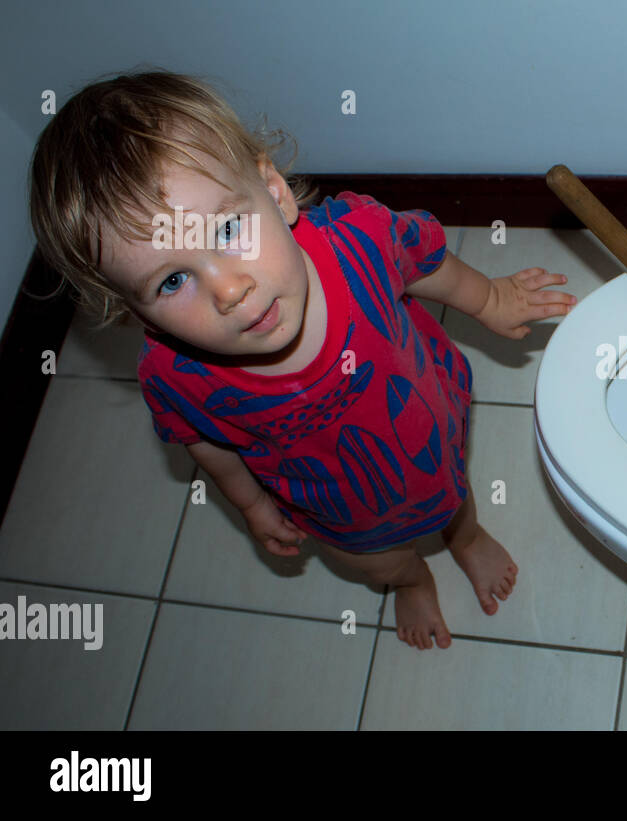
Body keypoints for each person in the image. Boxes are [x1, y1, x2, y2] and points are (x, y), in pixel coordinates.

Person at [28, 70, 576, 650]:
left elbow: (424, 261)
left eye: (229, 228)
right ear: (137, 314)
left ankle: (465, 537)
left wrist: (489, 299)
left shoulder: (359, 240)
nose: (230, 289)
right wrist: (252, 504)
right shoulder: (176, 377)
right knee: (378, 564)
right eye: (173, 280)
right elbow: (207, 443)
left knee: (452, 492)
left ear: (275, 190)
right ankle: (411, 577)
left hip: (424, 431)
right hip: (336, 504)